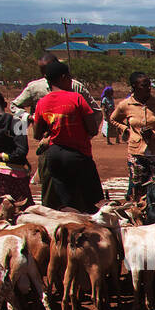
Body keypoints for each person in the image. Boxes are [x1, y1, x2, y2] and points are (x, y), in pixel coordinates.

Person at [31, 59, 102, 212]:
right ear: (63, 77)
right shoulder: (76, 98)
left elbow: (37, 134)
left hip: (54, 154)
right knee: (93, 201)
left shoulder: (42, 103)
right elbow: (93, 129)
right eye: (69, 77)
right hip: (78, 153)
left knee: (65, 200)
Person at [110, 71, 155, 198]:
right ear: (134, 86)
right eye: (144, 85)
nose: (148, 88)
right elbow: (113, 119)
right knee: (138, 192)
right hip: (137, 154)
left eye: (149, 85)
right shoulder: (125, 105)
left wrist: (154, 134)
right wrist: (125, 129)